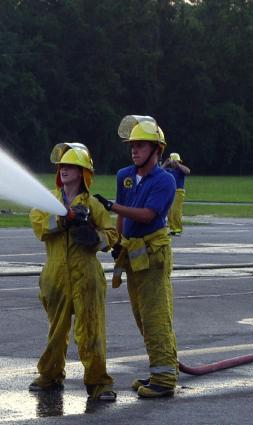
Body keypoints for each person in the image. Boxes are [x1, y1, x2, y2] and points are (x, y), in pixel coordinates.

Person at [93, 115, 178, 398]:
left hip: (154, 255)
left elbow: (147, 215)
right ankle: (160, 369)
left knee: (156, 316)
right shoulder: (125, 176)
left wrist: (114, 206)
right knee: (142, 316)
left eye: (141, 145)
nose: (134, 150)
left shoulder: (165, 181)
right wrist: (117, 242)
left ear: (157, 150)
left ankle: (164, 380)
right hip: (133, 253)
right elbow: (123, 214)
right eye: (132, 145)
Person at [29, 142, 118, 401]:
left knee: (91, 332)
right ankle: (50, 375)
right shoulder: (47, 200)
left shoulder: (93, 205)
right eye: (62, 166)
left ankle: (99, 383)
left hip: (87, 276)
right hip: (55, 276)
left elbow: (112, 234)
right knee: (56, 331)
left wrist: (94, 236)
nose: (63, 169)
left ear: (82, 173)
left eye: (70, 166)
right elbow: (39, 226)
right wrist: (64, 218)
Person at [162, 153, 190, 235]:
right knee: (169, 211)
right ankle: (172, 229)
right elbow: (158, 172)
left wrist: (179, 165)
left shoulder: (181, 170)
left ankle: (178, 228)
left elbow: (188, 171)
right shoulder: (168, 170)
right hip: (169, 191)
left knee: (176, 210)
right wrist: (165, 164)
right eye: (173, 162)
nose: (174, 164)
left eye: (176, 162)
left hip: (179, 192)